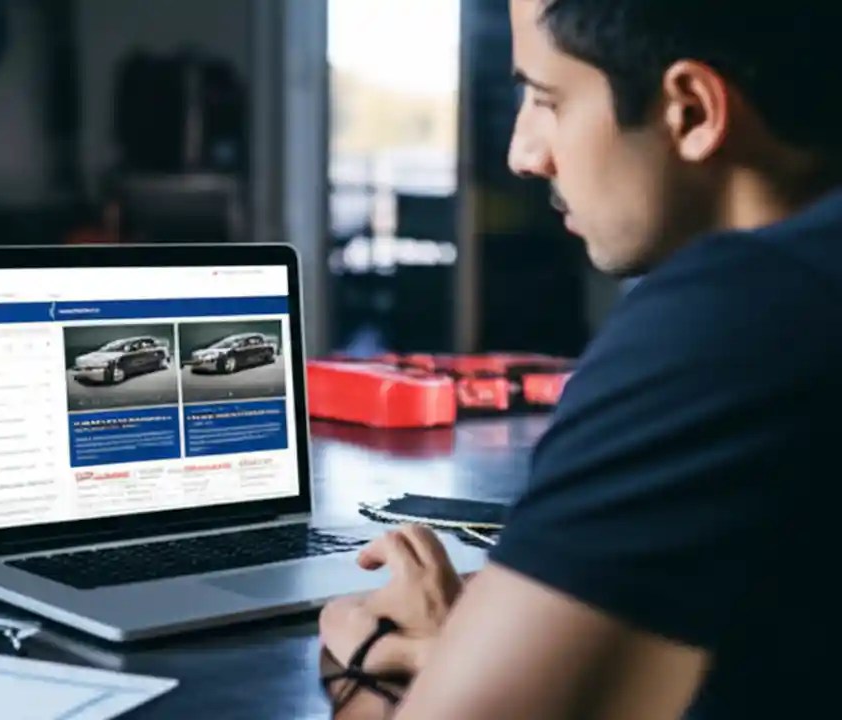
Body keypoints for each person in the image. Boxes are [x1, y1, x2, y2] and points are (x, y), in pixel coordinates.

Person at [319, 1, 842, 717]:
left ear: (691, 111)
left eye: (545, 99)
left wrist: (366, 668)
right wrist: (476, 651)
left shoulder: (728, 320)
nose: (523, 154)